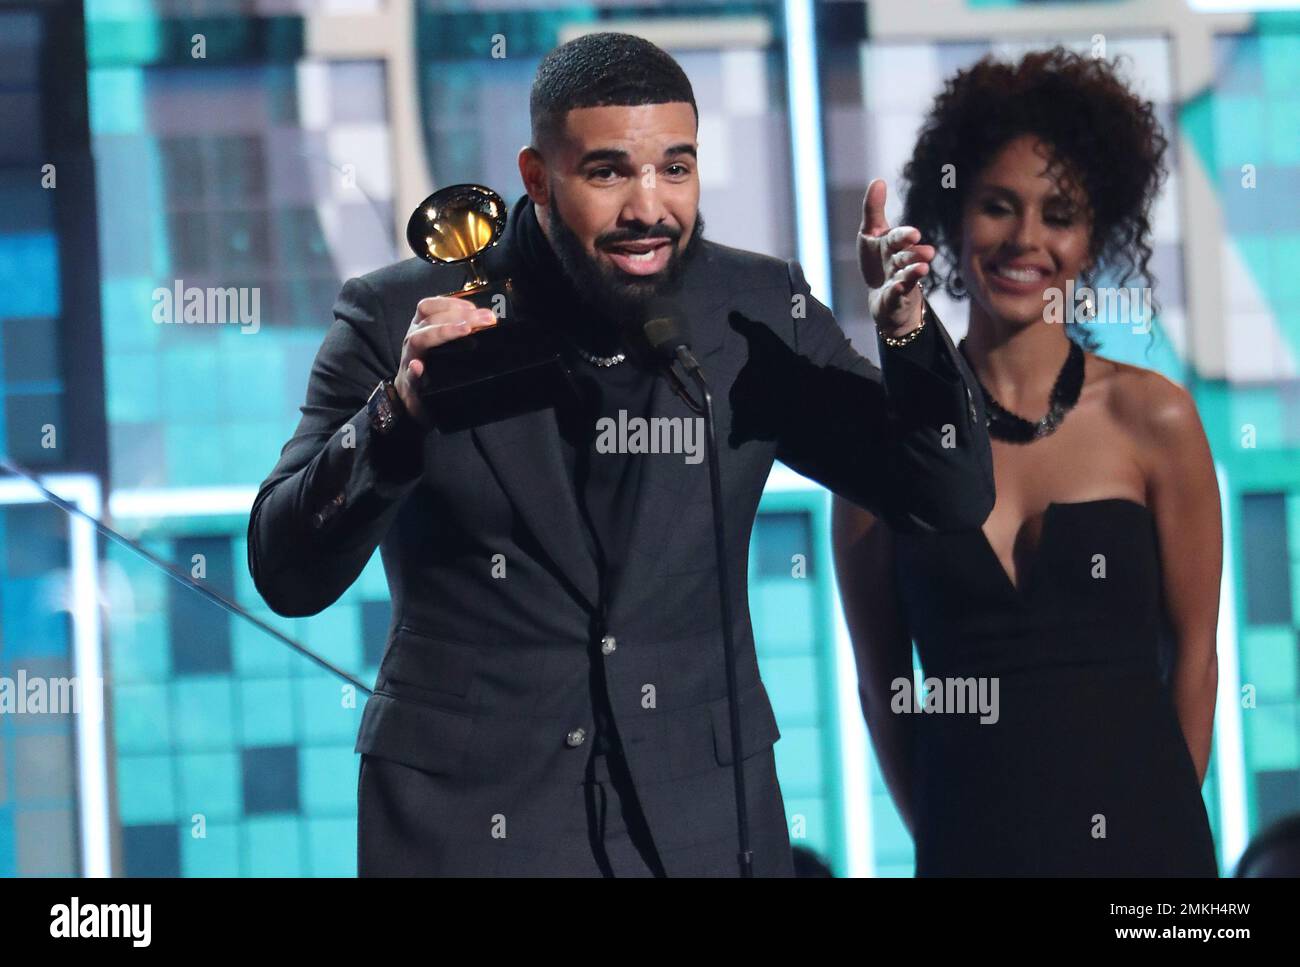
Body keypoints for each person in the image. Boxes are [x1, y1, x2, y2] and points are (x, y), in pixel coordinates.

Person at [248, 31, 993, 876]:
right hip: (470, 830)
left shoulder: (751, 309)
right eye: (609, 172)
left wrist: (908, 337)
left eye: (676, 167)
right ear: (537, 177)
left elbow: (946, 493)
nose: (650, 206)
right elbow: (286, 568)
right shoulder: (399, 316)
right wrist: (399, 412)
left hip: (706, 826)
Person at [833, 47, 1219, 876]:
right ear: (951, 219)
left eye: (1060, 213)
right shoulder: (884, 441)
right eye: (999, 206)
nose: (1026, 239)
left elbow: (1195, 658)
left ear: (1095, 236)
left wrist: (1163, 834)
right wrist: (950, 832)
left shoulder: (1154, 418)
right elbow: (882, 692)